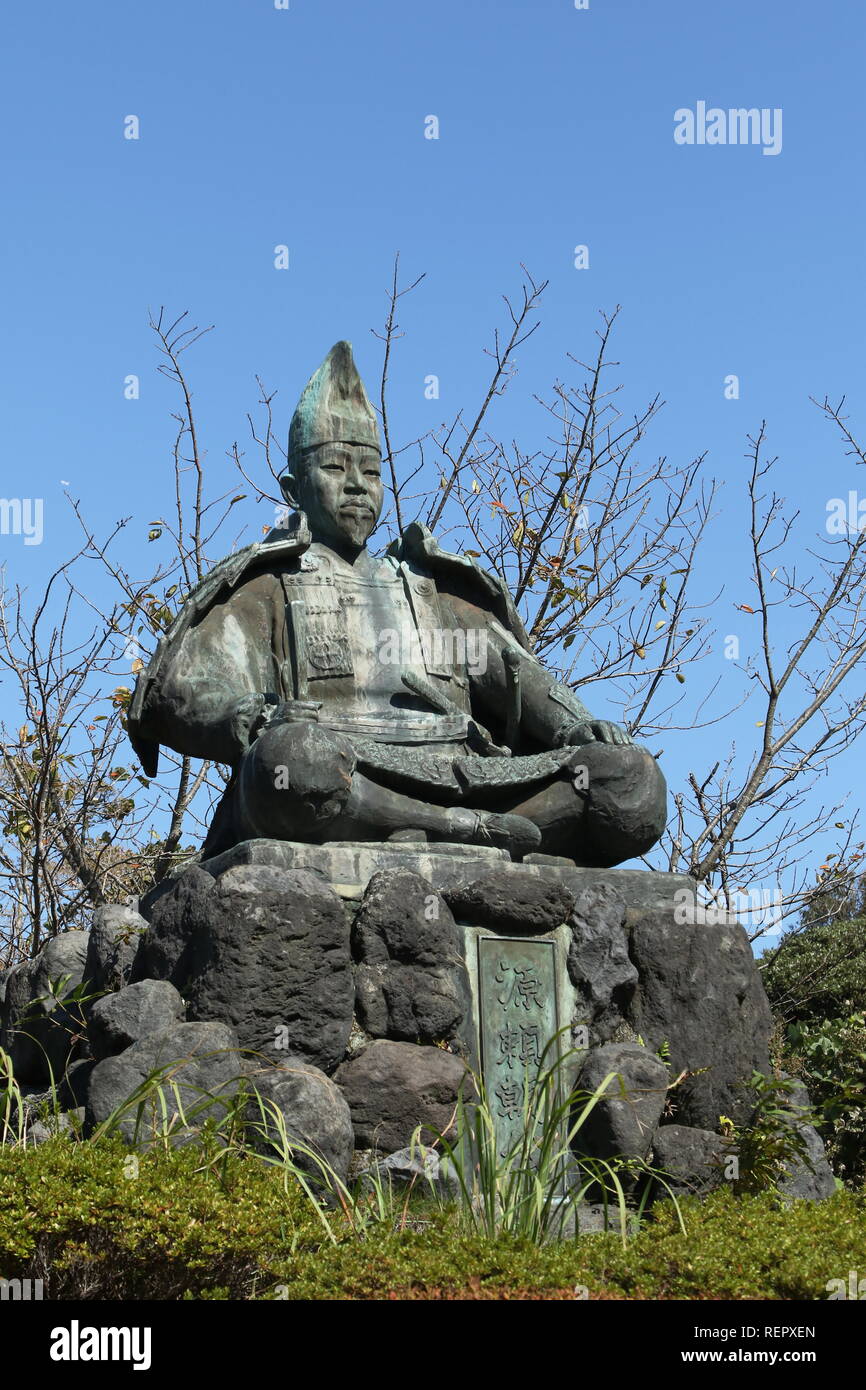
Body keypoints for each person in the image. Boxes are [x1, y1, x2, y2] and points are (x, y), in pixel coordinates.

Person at [127, 342, 667, 865]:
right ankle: (469, 833)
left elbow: (516, 673)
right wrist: (258, 715)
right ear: (294, 488)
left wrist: (575, 727)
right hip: (345, 773)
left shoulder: (437, 589)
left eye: (371, 472)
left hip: (468, 775)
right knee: (289, 764)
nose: (358, 486)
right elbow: (181, 693)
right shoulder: (270, 585)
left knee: (629, 776)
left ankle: (455, 825)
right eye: (336, 470)